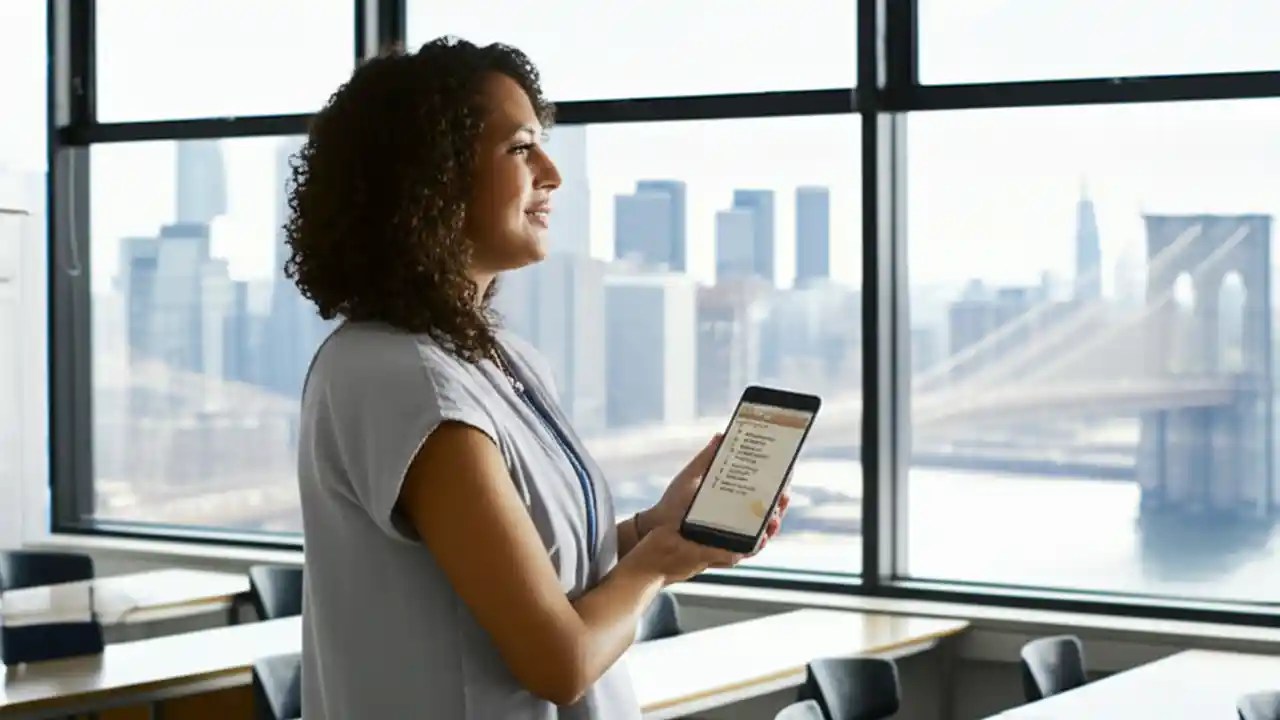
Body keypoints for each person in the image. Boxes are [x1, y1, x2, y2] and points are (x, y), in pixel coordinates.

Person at [285, 37, 790, 719]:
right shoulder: (396, 377)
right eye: (521, 148)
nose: (550, 172)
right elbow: (559, 660)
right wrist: (662, 564)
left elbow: (536, 576)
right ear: (431, 179)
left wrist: (650, 531)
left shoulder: (499, 358)